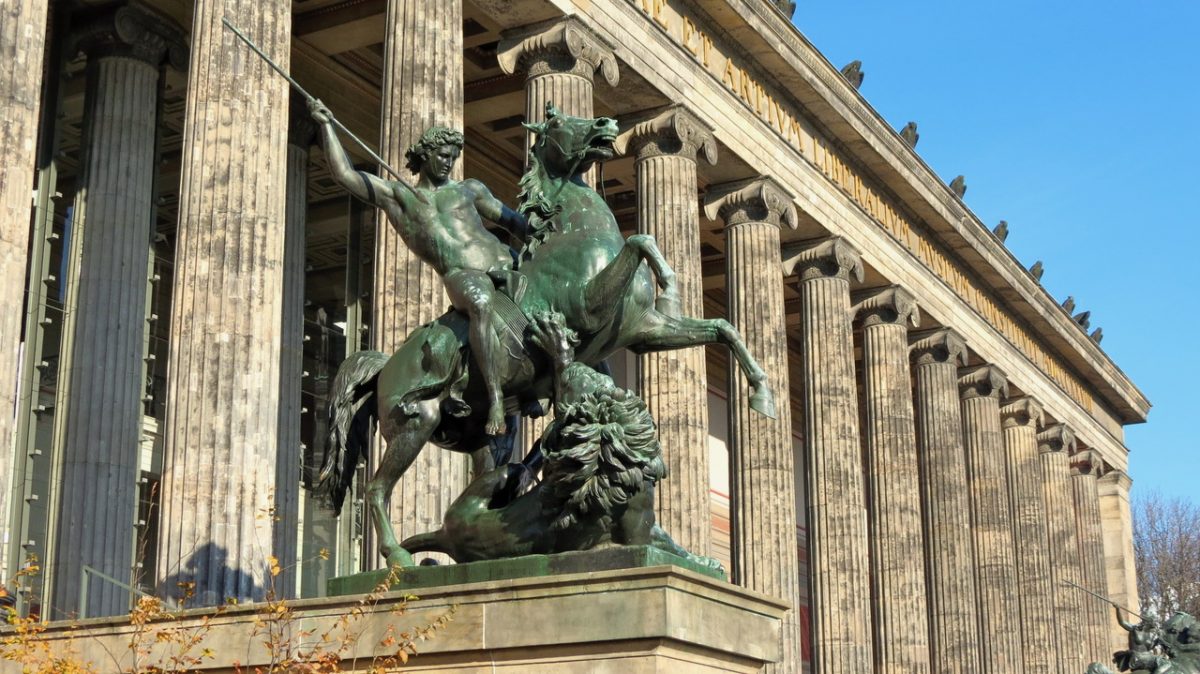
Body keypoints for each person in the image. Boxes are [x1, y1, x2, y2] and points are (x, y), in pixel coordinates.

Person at [310, 100, 527, 436]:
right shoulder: (401, 199)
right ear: (425, 154)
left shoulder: (470, 189)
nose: (449, 163)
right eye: (443, 155)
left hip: (506, 263)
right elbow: (346, 175)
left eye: (453, 157)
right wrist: (326, 126)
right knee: (481, 305)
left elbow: (513, 221)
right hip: (463, 275)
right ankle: (496, 398)